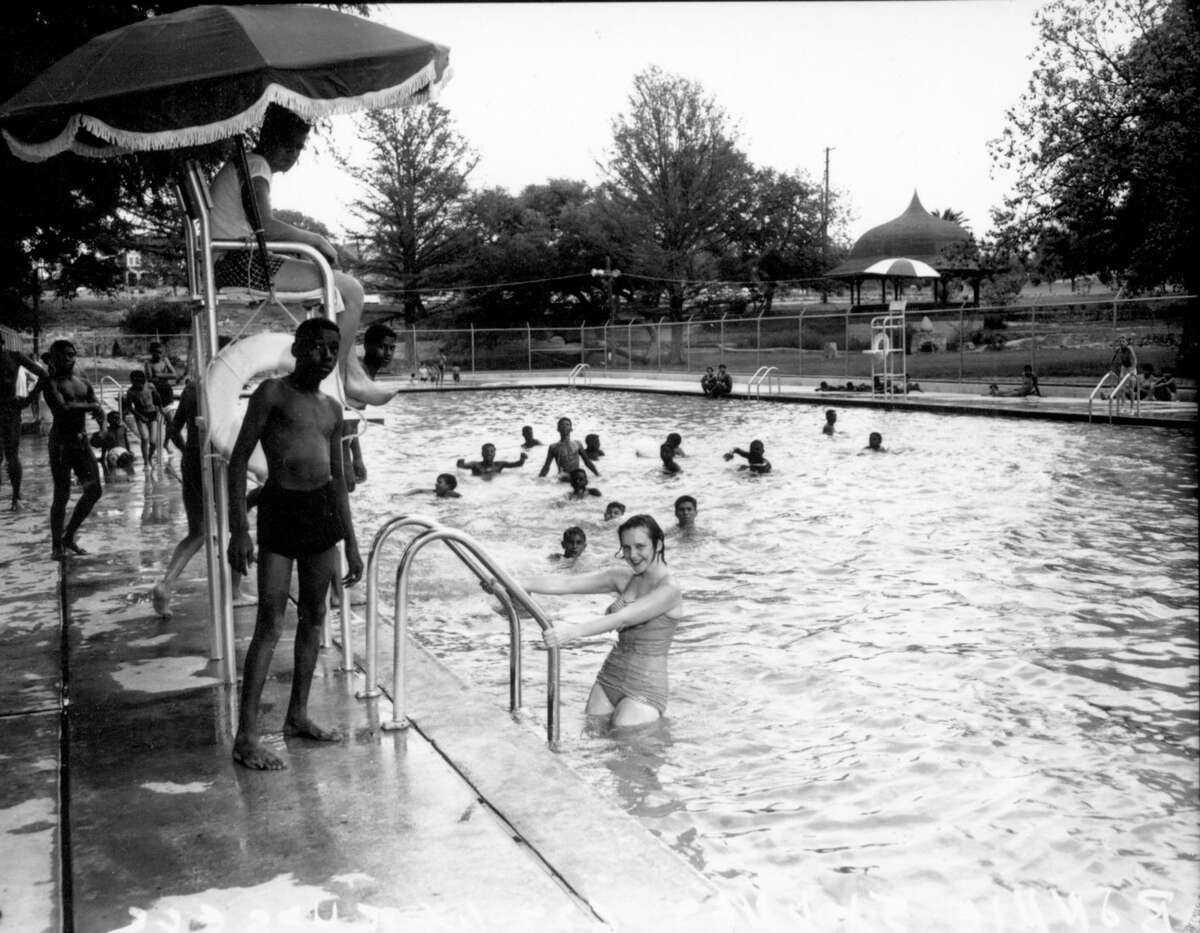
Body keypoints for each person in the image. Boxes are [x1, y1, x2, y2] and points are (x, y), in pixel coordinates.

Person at [225, 318, 363, 771]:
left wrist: (353, 542)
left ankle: (297, 715)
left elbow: (340, 480)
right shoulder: (272, 394)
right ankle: (246, 737)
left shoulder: (331, 408)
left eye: (333, 349)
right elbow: (239, 458)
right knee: (270, 620)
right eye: (318, 347)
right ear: (299, 349)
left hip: (321, 512)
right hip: (281, 508)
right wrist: (238, 528)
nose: (325, 356)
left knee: (315, 615)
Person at [208, 104, 375, 409]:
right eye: (291, 145)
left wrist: (305, 248)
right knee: (351, 290)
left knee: (337, 285)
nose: (294, 154)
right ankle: (345, 379)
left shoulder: (245, 163)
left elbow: (257, 229)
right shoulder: (256, 166)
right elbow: (266, 226)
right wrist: (316, 239)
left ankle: (347, 375)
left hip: (232, 262)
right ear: (272, 140)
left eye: (299, 147)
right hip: (240, 265)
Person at [519, 514, 683, 727]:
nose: (632, 555)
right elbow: (567, 584)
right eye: (626, 548)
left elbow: (622, 617)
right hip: (609, 678)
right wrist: (514, 583)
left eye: (640, 546)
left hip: (645, 687)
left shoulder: (669, 590)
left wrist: (570, 632)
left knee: (625, 750)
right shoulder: (622, 578)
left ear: (658, 544)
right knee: (592, 740)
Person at [151, 379, 258, 618]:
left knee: (198, 532)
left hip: (192, 461)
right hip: (218, 462)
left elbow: (173, 429)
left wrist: (190, 451)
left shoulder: (190, 389)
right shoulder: (221, 384)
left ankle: (165, 584)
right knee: (237, 525)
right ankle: (234, 593)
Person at [41, 340, 105, 559]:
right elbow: (62, 408)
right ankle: (56, 545)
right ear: (55, 357)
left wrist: (102, 427)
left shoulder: (84, 383)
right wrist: (92, 407)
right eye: (65, 355)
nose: (70, 359)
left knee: (94, 490)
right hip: (60, 444)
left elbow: (99, 410)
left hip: (81, 442)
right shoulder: (50, 383)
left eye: (72, 354)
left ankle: (68, 536)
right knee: (62, 495)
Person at [0, 331, 48, 510]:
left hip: (10, 409)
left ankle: (16, 496)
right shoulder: (14, 357)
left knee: (12, 455)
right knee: (7, 455)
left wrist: (28, 399)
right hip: (11, 408)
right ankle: (15, 496)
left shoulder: (14, 357)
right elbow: (43, 376)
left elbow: (43, 375)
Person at [122, 369, 164, 468]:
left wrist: (161, 410)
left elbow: (158, 398)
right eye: (137, 384)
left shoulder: (150, 386)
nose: (140, 386)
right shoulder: (131, 392)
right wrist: (139, 416)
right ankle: (145, 462)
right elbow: (129, 407)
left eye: (141, 384)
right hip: (140, 416)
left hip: (152, 415)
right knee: (145, 438)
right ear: (133, 382)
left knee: (153, 441)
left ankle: (149, 457)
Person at [91, 410, 136, 482]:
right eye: (115, 418)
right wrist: (103, 457)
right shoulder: (107, 431)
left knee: (128, 466)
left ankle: (129, 479)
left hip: (123, 452)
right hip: (113, 453)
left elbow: (126, 440)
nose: (117, 420)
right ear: (109, 421)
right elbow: (104, 445)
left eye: (118, 418)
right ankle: (111, 480)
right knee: (112, 470)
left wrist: (129, 450)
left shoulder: (123, 428)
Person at [456, 443, 527, 476]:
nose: (489, 453)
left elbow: (517, 464)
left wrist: (522, 459)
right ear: (482, 453)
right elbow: (461, 466)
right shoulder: (475, 465)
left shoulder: (499, 464)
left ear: (495, 453)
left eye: (492, 451)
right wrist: (461, 460)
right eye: (486, 452)